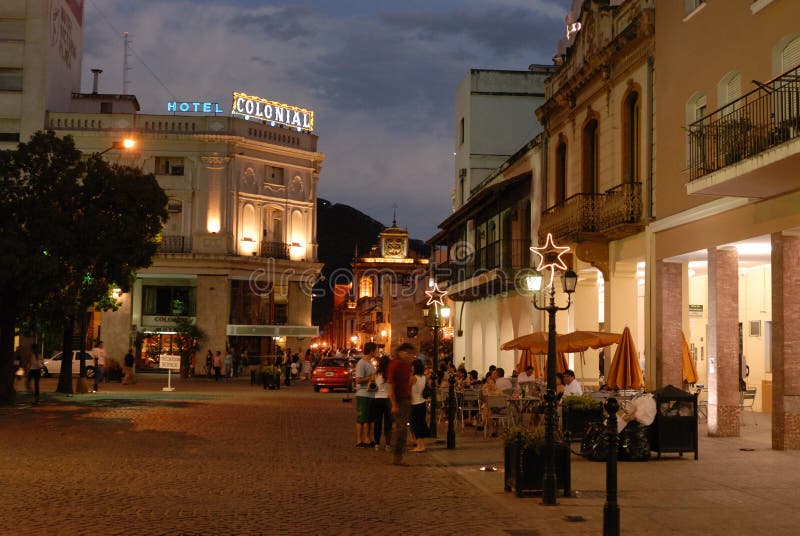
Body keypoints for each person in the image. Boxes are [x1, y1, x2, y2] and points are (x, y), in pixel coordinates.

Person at [386, 342, 416, 466]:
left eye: (412, 354)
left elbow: (407, 382)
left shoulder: (407, 365)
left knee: (402, 428)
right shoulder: (395, 365)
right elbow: (390, 384)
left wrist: (411, 387)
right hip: (398, 399)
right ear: (401, 353)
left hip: (405, 399)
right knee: (401, 429)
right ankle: (397, 456)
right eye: (408, 353)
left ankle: (398, 455)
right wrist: (393, 403)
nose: (410, 356)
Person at [354, 342, 377, 447]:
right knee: (361, 418)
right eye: (375, 350)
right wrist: (370, 377)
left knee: (369, 418)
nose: (376, 352)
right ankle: (359, 440)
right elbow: (358, 380)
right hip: (363, 394)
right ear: (371, 351)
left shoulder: (370, 363)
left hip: (371, 394)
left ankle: (367, 439)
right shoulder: (361, 363)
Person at [372, 354, 392, 451]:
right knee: (388, 423)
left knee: (377, 422)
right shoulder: (390, 375)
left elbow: (373, 387)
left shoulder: (376, 374)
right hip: (388, 399)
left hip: (377, 399)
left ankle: (377, 443)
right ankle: (388, 444)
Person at [409, 359, 430, 453]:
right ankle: (422, 445)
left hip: (415, 404)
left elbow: (407, 388)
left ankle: (419, 445)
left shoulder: (413, 378)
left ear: (415, 367)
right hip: (422, 403)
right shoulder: (424, 378)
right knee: (421, 424)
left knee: (415, 425)